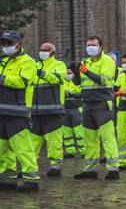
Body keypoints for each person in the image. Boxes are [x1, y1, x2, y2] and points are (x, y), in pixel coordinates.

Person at [73, 35, 120, 180]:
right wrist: (76, 73)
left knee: (108, 137)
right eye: (88, 45)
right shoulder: (85, 61)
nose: (90, 48)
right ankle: (90, 169)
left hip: (102, 103)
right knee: (90, 139)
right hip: (87, 104)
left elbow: (103, 80)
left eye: (93, 45)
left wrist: (86, 72)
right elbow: (78, 83)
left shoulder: (108, 61)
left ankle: (113, 169)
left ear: (101, 47)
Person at [0, 31, 39, 191]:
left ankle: (31, 179)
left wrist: (1, 78)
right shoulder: (4, 62)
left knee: (23, 147)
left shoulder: (28, 62)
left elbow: (23, 82)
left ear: (18, 44)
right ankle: (7, 178)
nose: (5, 46)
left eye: (9, 43)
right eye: (3, 43)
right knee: (3, 148)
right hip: (2, 110)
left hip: (17, 111)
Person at [30, 42, 68, 178]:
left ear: (52, 51)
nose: (42, 52)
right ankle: (30, 167)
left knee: (54, 141)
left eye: (45, 50)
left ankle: (55, 166)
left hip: (53, 110)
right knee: (33, 141)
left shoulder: (59, 65)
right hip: (35, 112)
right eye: (40, 49)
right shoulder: (34, 65)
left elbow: (56, 79)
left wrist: (43, 74)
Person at [62, 66, 84, 159]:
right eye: (66, 73)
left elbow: (81, 94)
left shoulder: (77, 83)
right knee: (66, 132)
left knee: (79, 132)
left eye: (70, 73)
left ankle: (84, 151)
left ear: (74, 74)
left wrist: (71, 94)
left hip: (76, 109)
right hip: (64, 109)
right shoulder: (61, 83)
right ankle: (70, 151)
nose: (68, 75)